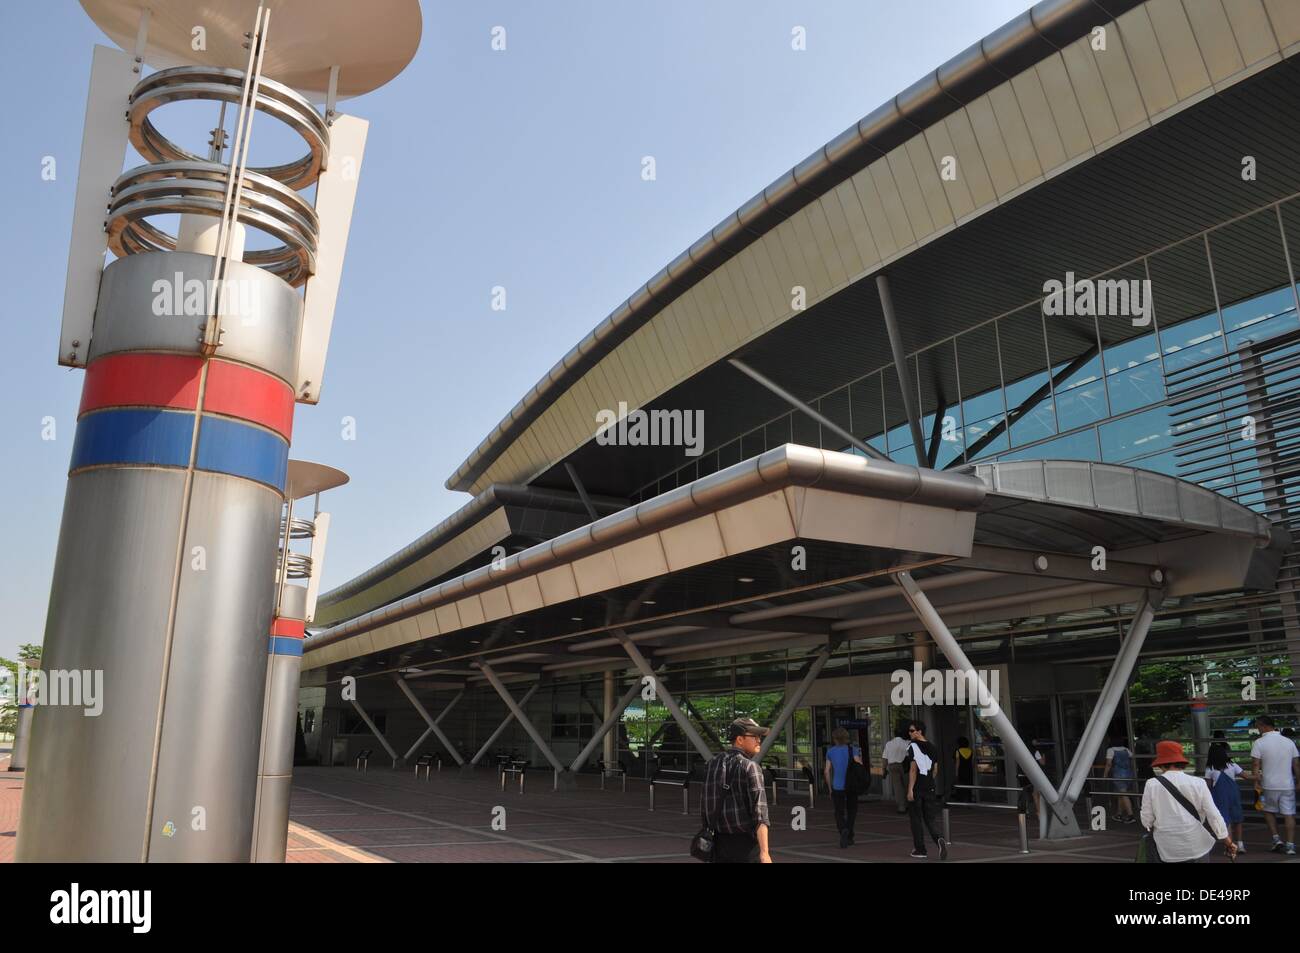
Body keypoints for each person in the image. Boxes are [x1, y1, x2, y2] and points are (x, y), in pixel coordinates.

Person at [1139, 740, 1236, 863]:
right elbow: (1213, 814)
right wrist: (1227, 840)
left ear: (1161, 763)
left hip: (1167, 848)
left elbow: (1146, 819)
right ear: (1181, 761)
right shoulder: (1199, 783)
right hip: (1196, 844)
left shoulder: (1152, 784)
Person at [701, 717, 772, 863]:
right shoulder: (750, 767)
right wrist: (765, 853)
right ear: (740, 739)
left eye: (760, 737)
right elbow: (760, 814)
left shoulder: (711, 764)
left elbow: (705, 806)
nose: (759, 740)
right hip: (746, 846)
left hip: (718, 843)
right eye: (755, 736)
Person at [1250, 715, 1299, 856]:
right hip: (1287, 784)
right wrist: (1299, 780)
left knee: (1268, 811)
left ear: (1264, 726)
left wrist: (1256, 781)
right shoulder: (1288, 742)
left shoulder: (1259, 743)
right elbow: (1296, 763)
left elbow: (1255, 764)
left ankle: (1276, 840)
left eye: (1258, 726)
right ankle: (1290, 845)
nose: (1257, 729)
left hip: (1269, 784)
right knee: (1289, 814)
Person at [903, 720, 949, 860]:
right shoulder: (933, 747)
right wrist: (930, 781)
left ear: (919, 731)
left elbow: (912, 770)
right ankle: (939, 838)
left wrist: (910, 789)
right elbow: (935, 769)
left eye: (912, 731)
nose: (909, 733)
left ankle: (920, 849)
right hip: (930, 787)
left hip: (917, 788)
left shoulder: (913, 746)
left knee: (916, 819)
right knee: (930, 818)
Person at [824, 726, 863, 848]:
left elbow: (826, 771)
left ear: (834, 738)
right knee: (852, 811)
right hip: (851, 786)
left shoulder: (830, 751)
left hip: (837, 786)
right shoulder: (853, 750)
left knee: (838, 812)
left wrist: (830, 788)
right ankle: (849, 833)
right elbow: (859, 766)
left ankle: (842, 829)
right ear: (846, 738)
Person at [1205, 744, 1245, 854]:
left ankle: (1229, 846)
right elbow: (1245, 776)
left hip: (1220, 796)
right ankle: (1241, 845)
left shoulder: (1210, 768)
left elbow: (1208, 785)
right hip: (1234, 794)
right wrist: (1258, 777)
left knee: (1225, 821)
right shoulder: (1232, 765)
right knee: (1237, 819)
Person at [1104, 735, 1137, 824]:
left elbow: (1108, 764)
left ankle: (1131, 815)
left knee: (1123, 794)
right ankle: (1118, 814)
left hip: (1118, 774)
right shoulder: (1126, 749)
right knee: (1121, 794)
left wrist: (1105, 775)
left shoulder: (1110, 750)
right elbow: (1132, 757)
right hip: (1128, 774)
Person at [882, 725, 911, 814]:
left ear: (894, 734)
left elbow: (885, 758)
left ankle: (901, 807)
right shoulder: (907, 743)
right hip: (905, 766)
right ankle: (909, 804)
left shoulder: (889, 743)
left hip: (892, 766)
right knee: (907, 785)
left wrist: (884, 769)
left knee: (897, 787)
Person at [951, 736, 974, 802]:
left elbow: (957, 763)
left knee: (960, 786)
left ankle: (960, 801)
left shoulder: (958, 751)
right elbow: (972, 762)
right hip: (969, 771)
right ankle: (969, 800)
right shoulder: (970, 751)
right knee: (969, 787)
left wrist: (956, 773)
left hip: (961, 771)